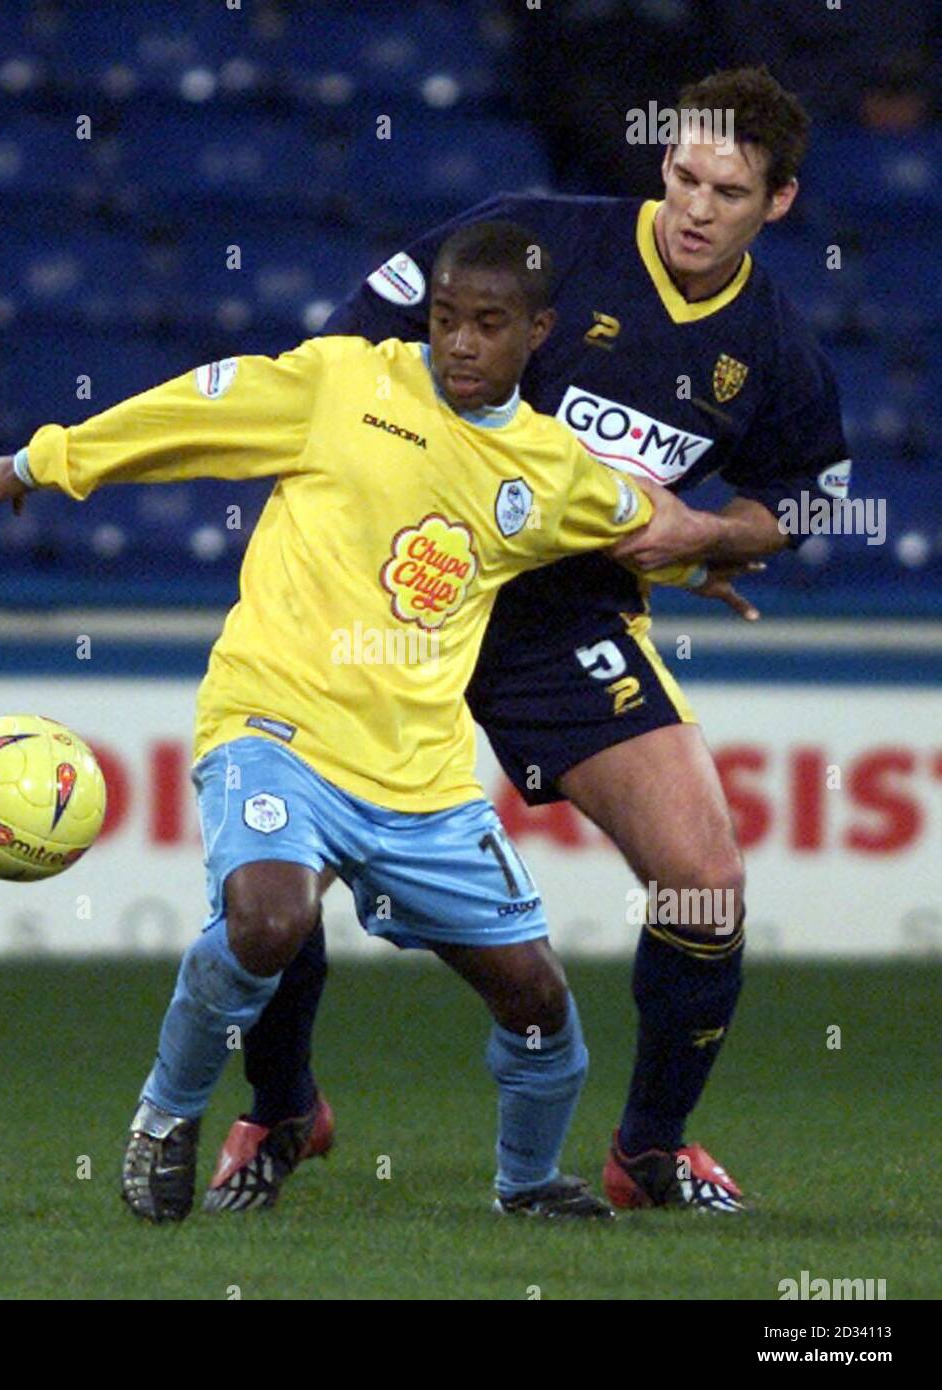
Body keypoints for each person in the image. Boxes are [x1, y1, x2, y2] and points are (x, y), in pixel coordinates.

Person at [0, 221, 732, 1221]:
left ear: (539, 331)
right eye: (446, 321)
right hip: (276, 724)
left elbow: (639, 523)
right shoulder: (341, 383)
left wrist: (713, 560)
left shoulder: (548, 469)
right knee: (269, 918)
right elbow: (186, 413)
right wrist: (43, 462)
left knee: (536, 1001)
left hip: (420, 778)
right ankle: (165, 1114)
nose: (462, 345)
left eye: (490, 326)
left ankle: (526, 1183)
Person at [204, 66, 851, 1215]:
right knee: (281, 873)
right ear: (665, 163)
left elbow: (805, 498)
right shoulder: (539, 243)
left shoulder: (774, 348)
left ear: (779, 204)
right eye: (686, 177)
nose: (698, 209)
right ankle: (286, 1105)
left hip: (561, 620)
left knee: (706, 883)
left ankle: (648, 1150)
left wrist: (708, 529)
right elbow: (350, 359)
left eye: (732, 192)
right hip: (400, 589)